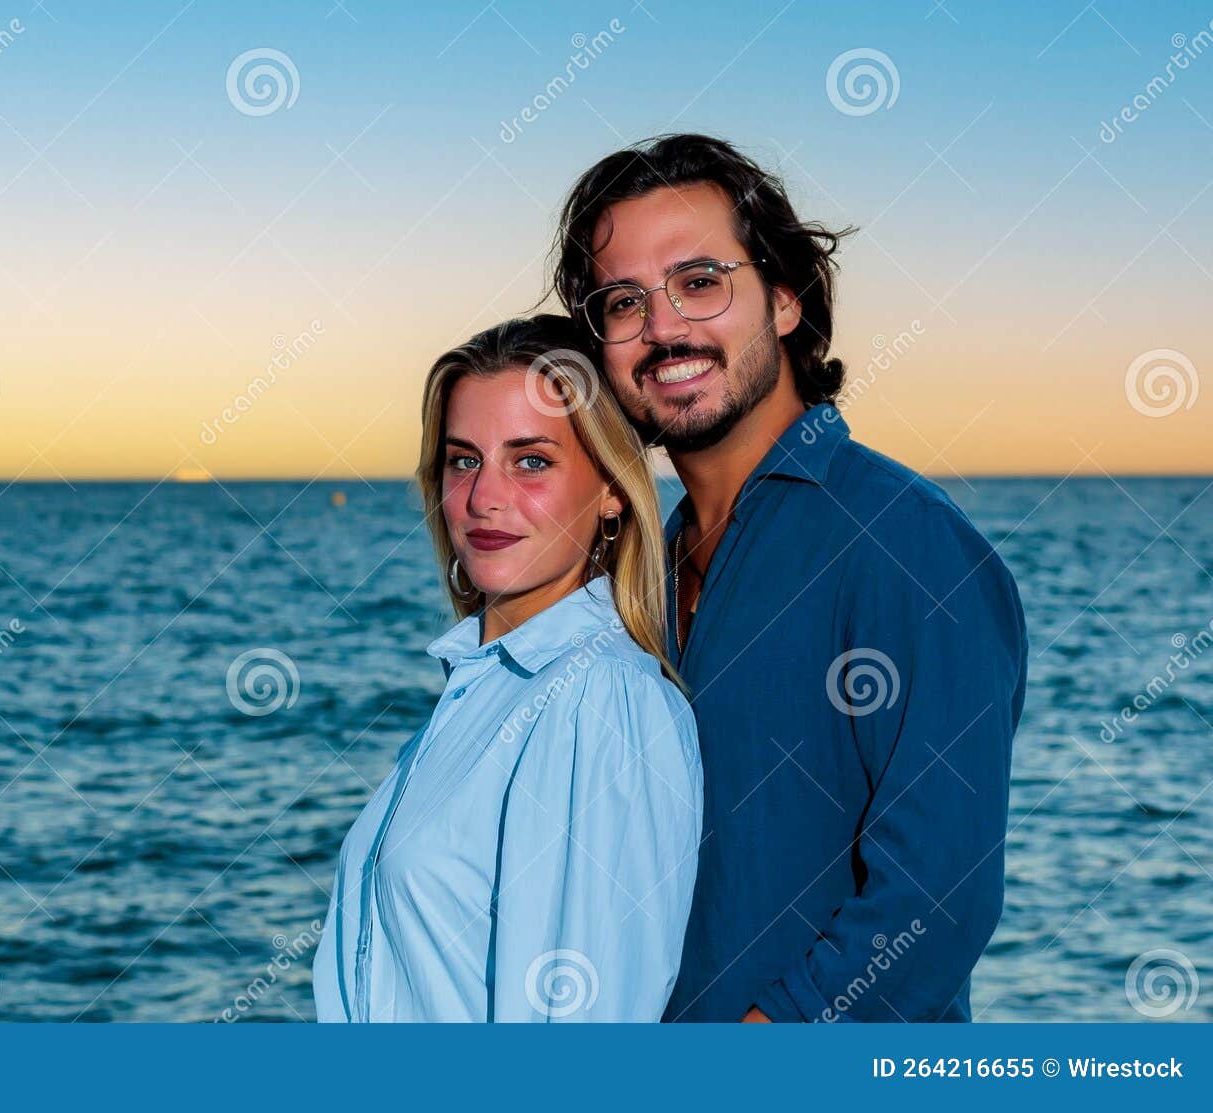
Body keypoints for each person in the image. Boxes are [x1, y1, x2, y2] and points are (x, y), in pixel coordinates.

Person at [552, 133, 1029, 1022]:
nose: (663, 327)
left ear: (784, 300)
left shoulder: (908, 546)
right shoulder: (633, 576)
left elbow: (937, 898)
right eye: (623, 301)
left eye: (700, 281)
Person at [312, 315, 703, 1022]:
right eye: (464, 459)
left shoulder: (602, 700)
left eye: (530, 461)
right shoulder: (488, 685)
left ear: (612, 489)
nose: (484, 497)